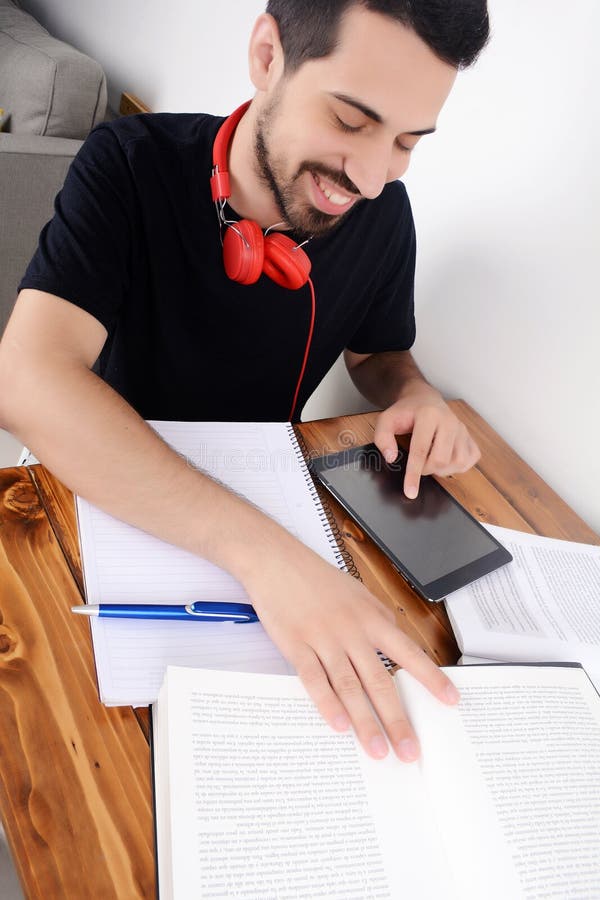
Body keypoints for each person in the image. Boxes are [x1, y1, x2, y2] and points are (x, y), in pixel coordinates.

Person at [0, 0, 489, 762]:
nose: (368, 176)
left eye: (406, 141)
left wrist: (414, 394)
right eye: (352, 122)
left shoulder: (385, 213)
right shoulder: (129, 162)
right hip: (99, 494)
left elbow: (379, 356)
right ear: (267, 57)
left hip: (268, 513)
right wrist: (267, 559)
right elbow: (28, 379)